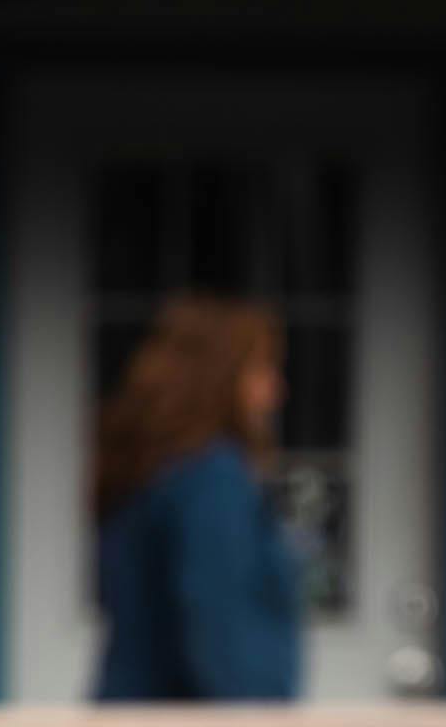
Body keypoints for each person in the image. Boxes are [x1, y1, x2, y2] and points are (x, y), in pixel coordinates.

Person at [90, 296, 302, 703]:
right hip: (191, 725)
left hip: (133, 711)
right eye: (262, 371)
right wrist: (258, 725)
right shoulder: (211, 479)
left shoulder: (147, 469)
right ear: (221, 377)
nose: (275, 391)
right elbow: (220, 622)